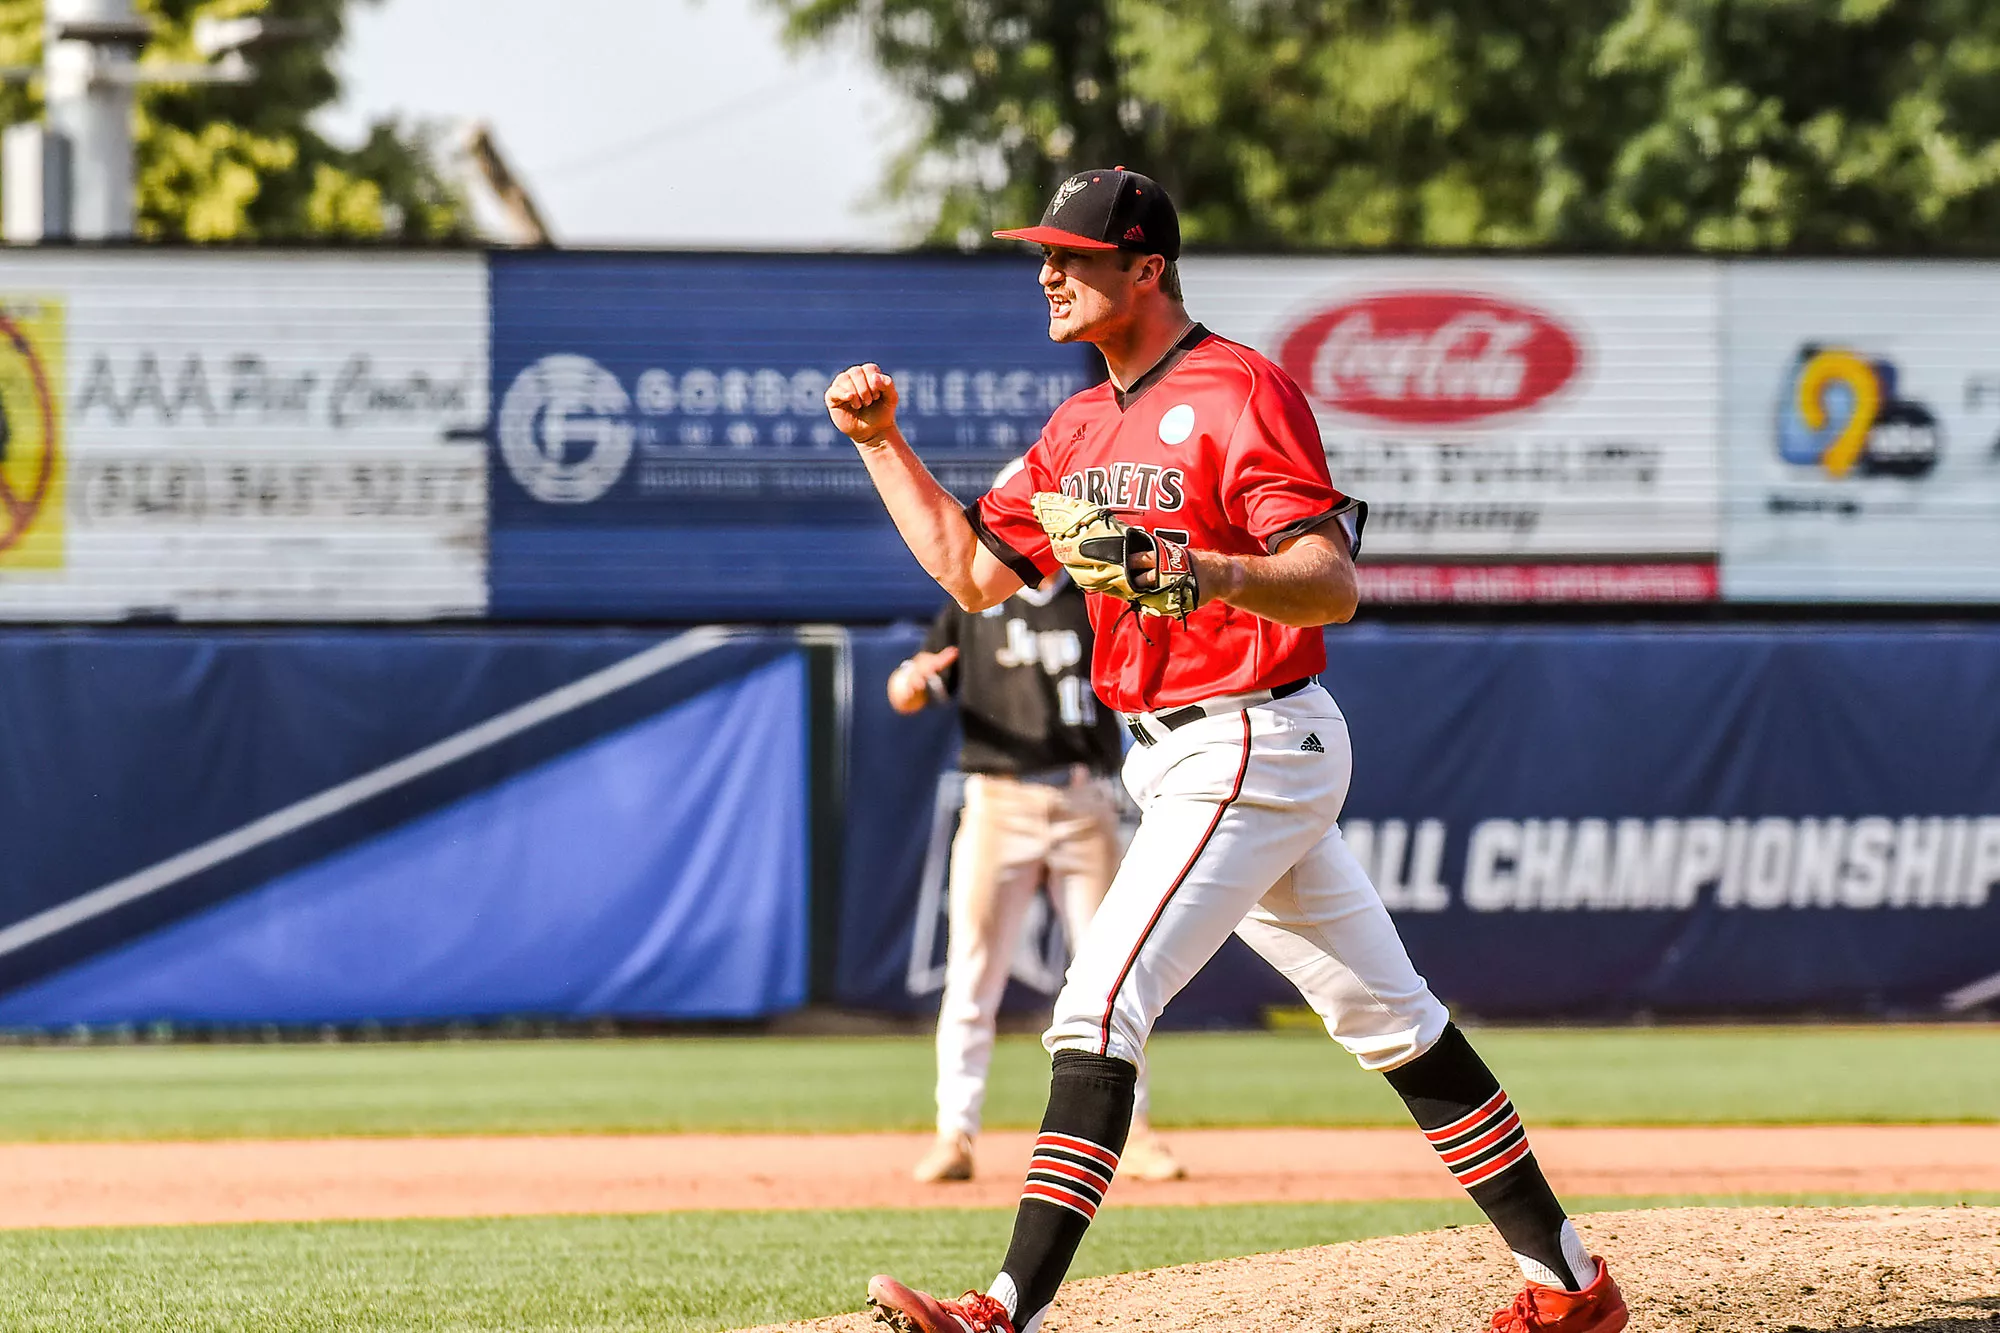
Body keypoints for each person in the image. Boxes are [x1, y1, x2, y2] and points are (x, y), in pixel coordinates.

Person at [825, 167, 1628, 1333]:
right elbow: (969, 573)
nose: (1045, 274)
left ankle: (1006, 1310)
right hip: (1173, 759)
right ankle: (1571, 1287)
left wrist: (1202, 568)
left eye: (1071, 256)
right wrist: (881, 443)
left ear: (1144, 266)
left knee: (1095, 1005)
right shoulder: (1075, 426)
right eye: (1040, 255)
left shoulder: (1239, 389)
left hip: (1249, 733)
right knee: (1393, 1021)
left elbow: (1331, 583)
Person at [888, 545, 1184, 1186]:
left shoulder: (1095, 597)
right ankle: (955, 1135)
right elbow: (908, 688)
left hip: (1085, 800)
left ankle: (1135, 1134)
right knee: (972, 971)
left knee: (1115, 975)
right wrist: (911, 682)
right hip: (999, 800)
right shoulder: (976, 600)